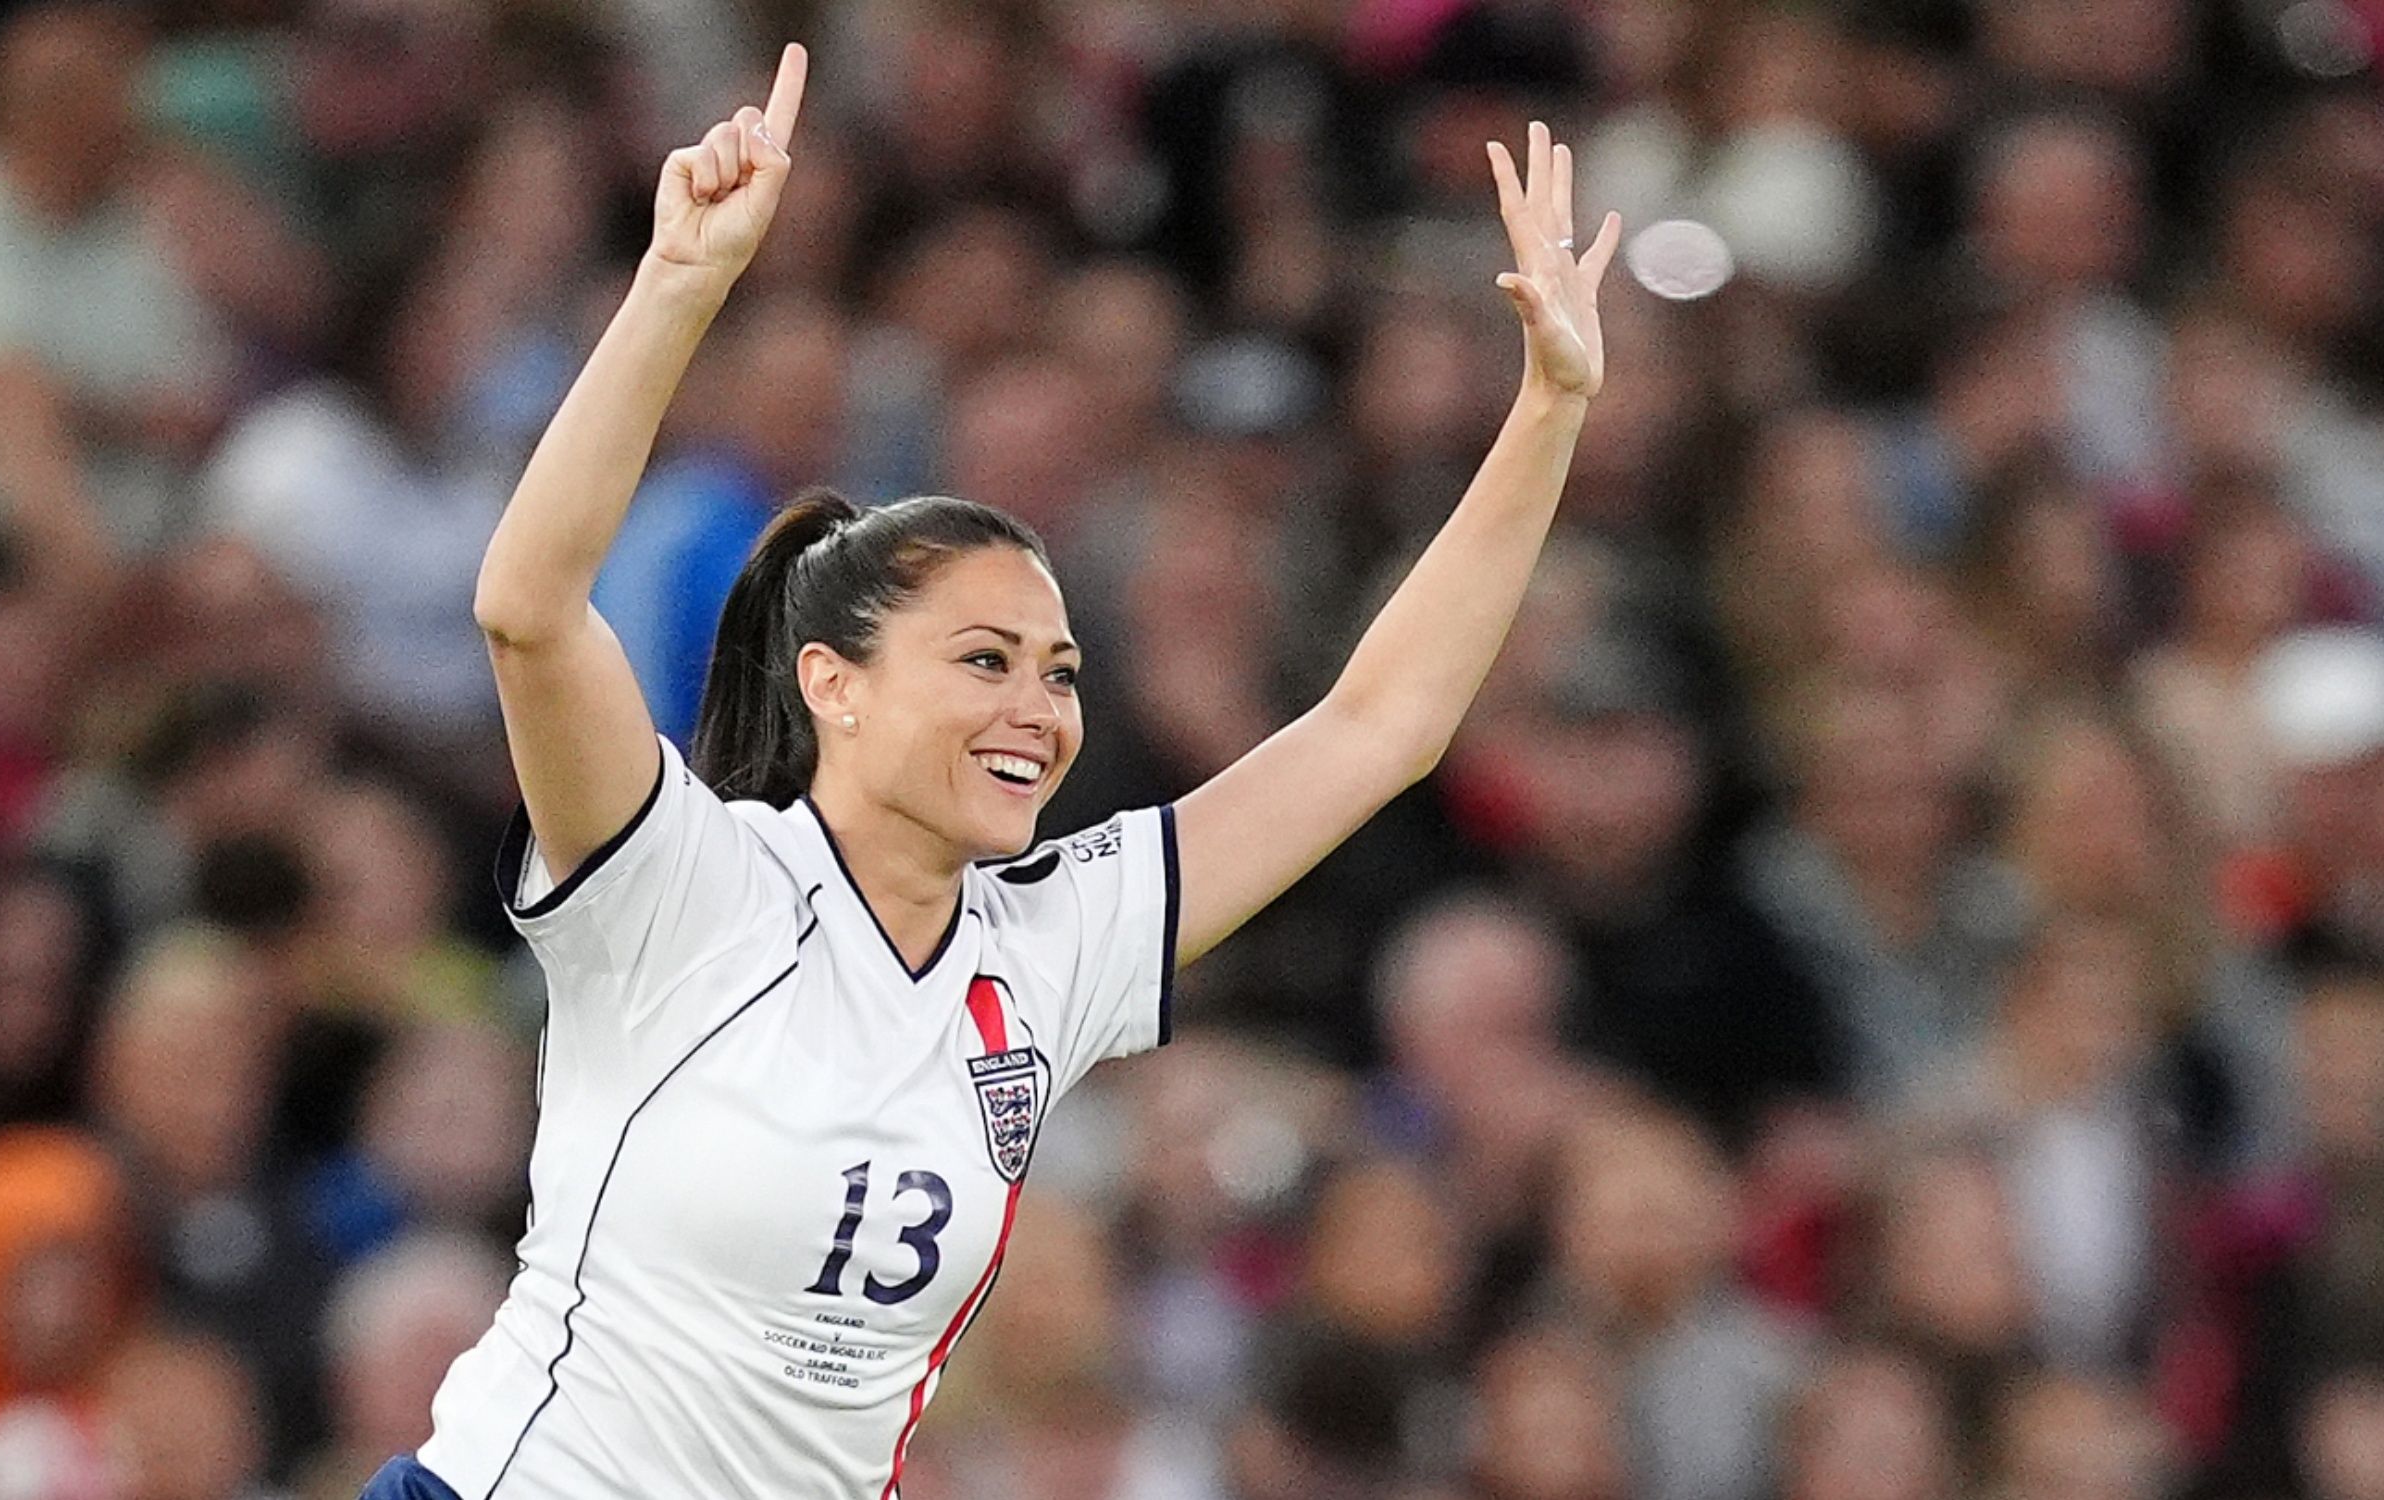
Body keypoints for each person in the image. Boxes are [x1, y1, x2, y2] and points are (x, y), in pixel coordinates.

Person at [364, 43, 1621, 1500]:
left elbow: (1377, 726)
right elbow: (526, 606)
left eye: (1061, 670)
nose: (1038, 708)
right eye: (983, 661)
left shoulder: (1049, 940)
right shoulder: (679, 879)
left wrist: (1549, 410)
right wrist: (682, 285)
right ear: (830, 684)